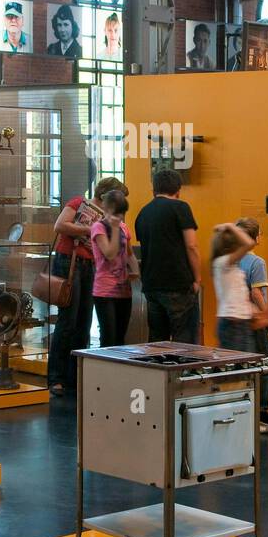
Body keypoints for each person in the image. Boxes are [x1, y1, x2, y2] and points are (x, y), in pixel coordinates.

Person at [47, 176, 128, 396]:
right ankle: (57, 376)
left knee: (84, 321)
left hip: (91, 265)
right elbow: (60, 225)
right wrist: (91, 229)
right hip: (70, 263)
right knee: (68, 320)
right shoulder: (77, 203)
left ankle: (76, 375)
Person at [134, 168, 201, 344]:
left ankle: (159, 372)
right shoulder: (180, 207)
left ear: (153, 190)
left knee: (157, 340)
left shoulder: (143, 213)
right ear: (178, 190)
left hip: (151, 285)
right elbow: (191, 245)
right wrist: (197, 279)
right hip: (178, 284)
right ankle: (182, 372)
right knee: (185, 341)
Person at [237, 217, 268, 432]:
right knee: (267, 367)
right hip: (255, 321)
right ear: (257, 237)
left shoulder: (230, 259)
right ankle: (262, 411)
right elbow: (256, 292)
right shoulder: (257, 263)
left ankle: (244, 410)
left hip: (235, 320)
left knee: (243, 367)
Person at [90, 189, 135, 348]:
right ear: (108, 210)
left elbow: (129, 254)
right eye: (118, 212)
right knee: (109, 336)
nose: (121, 217)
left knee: (120, 338)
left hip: (124, 289)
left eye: (123, 213)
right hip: (105, 290)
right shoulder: (98, 227)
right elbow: (109, 253)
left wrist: (135, 271)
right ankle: (104, 371)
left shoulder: (123, 227)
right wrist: (115, 229)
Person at [211, 221, 255, 353]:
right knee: (237, 369)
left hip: (240, 323)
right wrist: (230, 226)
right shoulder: (222, 263)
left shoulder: (230, 267)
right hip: (233, 324)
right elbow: (249, 243)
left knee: (245, 368)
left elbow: (238, 293)